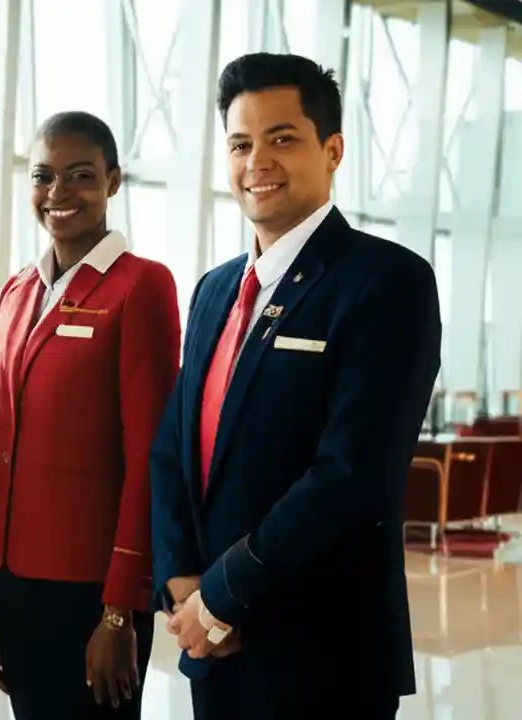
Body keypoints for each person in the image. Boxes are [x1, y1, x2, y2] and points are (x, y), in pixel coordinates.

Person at [150, 52, 442, 720]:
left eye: (282, 139)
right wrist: (181, 580)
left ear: (332, 149)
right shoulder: (214, 290)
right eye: (241, 144)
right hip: (215, 647)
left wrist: (224, 593)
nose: (258, 162)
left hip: (323, 652)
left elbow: (352, 473)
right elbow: (175, 446)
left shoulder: (385, 281)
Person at [0, 111, 181, 719]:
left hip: (91, 593)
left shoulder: (140, 287)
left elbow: (149, 457)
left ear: (114, 182)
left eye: (81, 175)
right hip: (16, 585)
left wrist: (120, 608)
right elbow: (1, 455)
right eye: (44, 176)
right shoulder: (16, 293)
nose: (59, 193)